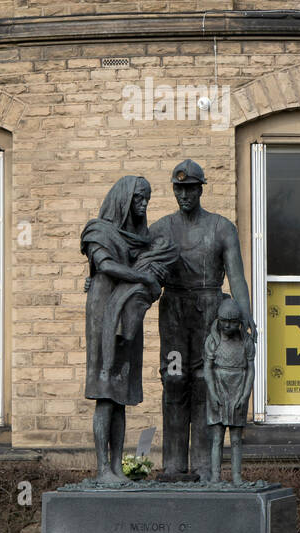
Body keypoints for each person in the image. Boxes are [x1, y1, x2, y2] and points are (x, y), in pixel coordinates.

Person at [150, 160, 256, 482]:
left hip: (211, 309)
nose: (184, 195)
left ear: (200, 189)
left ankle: (204, 467)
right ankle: (172, 465)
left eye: (190, 188)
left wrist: (246, 318)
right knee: (174, 379)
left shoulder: (222, 228)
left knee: (204, 382)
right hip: (174, 311)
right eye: (178, 189)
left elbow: (236, 278)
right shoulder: (160, 229)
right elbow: (136, 268)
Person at [80, 176, 177, 485]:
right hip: (102, 312)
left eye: (146, 199)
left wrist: (149, 277)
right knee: (104, 391)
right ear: (123, 199)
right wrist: (143, 279)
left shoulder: (138, 239)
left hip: (127, 315)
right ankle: (102, 470)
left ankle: (118, 469)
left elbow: (151, 262)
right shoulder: (98, 231)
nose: (143, 205)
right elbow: (106, 266)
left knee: (119, 394)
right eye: (138, 199)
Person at [204, 297, 255, 484]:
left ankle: (236, 476)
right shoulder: (213, 341)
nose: (227, 326)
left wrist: (245, 395)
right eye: (224, 321)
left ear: (239, 323)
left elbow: (251, 370)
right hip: (218, 387)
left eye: (232, 322)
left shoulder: (246, 342)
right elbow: (207, 369)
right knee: (217, 437)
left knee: (235, 438)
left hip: (238, 388)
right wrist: (212, 392)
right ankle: (215, 476)